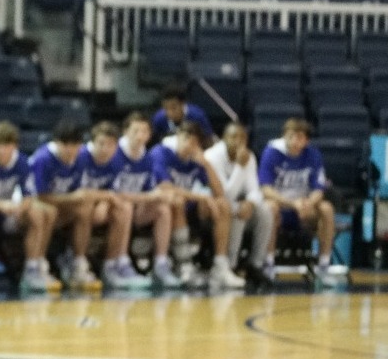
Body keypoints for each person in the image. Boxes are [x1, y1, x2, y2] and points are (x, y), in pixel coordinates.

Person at [0, 122, 55, 293]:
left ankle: (33, 267)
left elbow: (29, 196)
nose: (2, 150)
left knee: (38, 212)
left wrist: (21, 209)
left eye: (6, 145)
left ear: (14, 146)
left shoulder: (21, 161)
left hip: (8, 214)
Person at [153, 120, 238, 291]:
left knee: (223, 204)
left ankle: (220, 266)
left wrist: (206, 164)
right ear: (177, 137)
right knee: (176, 200)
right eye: (185, 139)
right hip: (161, 205)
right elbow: (164, 186)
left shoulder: (196, 160)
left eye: (193, 142)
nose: (188, 145)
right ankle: (184, 265)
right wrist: (202, 197)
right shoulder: (161, 152)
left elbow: (219, 192)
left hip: (192, 206)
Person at [258, 118, 339, 288]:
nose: (295, 141)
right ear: (284, 137)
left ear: (306, 141)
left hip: (303, 208)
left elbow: (319, 188)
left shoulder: (313, 154)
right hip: (281, 205)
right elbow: (265, 189)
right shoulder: (272, 152)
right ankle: (269, 264)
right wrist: (292, 203)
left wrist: (308, 203)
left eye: (300, 137)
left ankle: (324, 265)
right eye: (291, 136)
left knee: (327, 208)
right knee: (270, 207)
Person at [101, 113, 176, 290]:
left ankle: (161, 264)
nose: (140, 136)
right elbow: (114, 194)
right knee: (124, 206)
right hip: (109, 207)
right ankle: (119, 263)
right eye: (136, 131)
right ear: (125, 132)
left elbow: (149, 191)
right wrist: (149, 197)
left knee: (163, 208)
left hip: (134, 209)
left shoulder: (147, 158)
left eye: (144, 131)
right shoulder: (115, 154)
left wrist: (157, 196)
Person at [29, 121, 105, 291]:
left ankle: (77, 262)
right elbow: (40, 197)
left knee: (85, 208)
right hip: (32, 208)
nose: (70, 150)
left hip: (59, 207)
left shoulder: (81, 159)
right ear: (56, 143)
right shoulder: (43, 159)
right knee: (48, 211)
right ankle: (36, 266)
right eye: (66, 145)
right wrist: (73, 197)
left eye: (75, 145)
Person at [76, 121, 147, 291]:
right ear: (93, 142)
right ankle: (77, 261)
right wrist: (103, 198)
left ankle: (112, 265)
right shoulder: (81, 158)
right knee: (85, 208)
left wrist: (103, 201)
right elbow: (78, 193)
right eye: (101, 144)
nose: (105, 149)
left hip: (98, 206)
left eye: (110, 145)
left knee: (124, 207)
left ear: (116, 146)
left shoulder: (116, 163)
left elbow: (113, 192)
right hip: (74, 206)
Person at [206, 121, 274, 280]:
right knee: (237, 214)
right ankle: (230, 266)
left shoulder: (248, 157)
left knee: (265, 210)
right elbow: (225, 195)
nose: (238, 141)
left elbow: (254, 191)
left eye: (242, 138)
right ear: (224, 138)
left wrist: (250, 203)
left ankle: (256, 264)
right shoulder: (211, 157)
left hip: (235, 205)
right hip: (214, 209)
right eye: (233, 137)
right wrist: (239, 167)